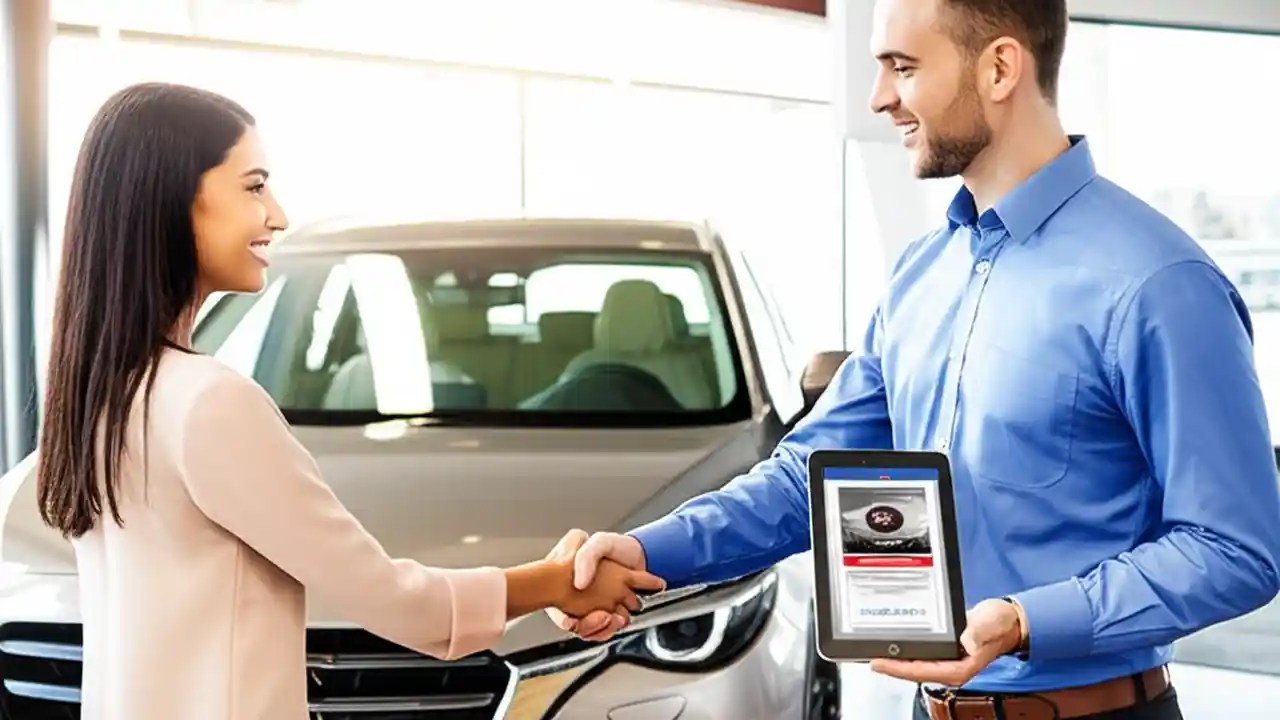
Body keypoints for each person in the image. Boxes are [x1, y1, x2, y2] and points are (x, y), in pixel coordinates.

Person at [549, 1, 1280, 718]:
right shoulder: (922, 274)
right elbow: (807, 480)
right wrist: (646, 553)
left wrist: (1027, 621)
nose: (878, 99)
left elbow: (1234, 548)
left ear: (1000, 68)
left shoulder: (1159, 283)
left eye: (902, 67)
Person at [33, 82, 664, 720]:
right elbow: (400, 603)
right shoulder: (209, 403)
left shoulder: (99, 398)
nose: (278, 215)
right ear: (171, 199)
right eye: (254, 187)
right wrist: (558, 582)